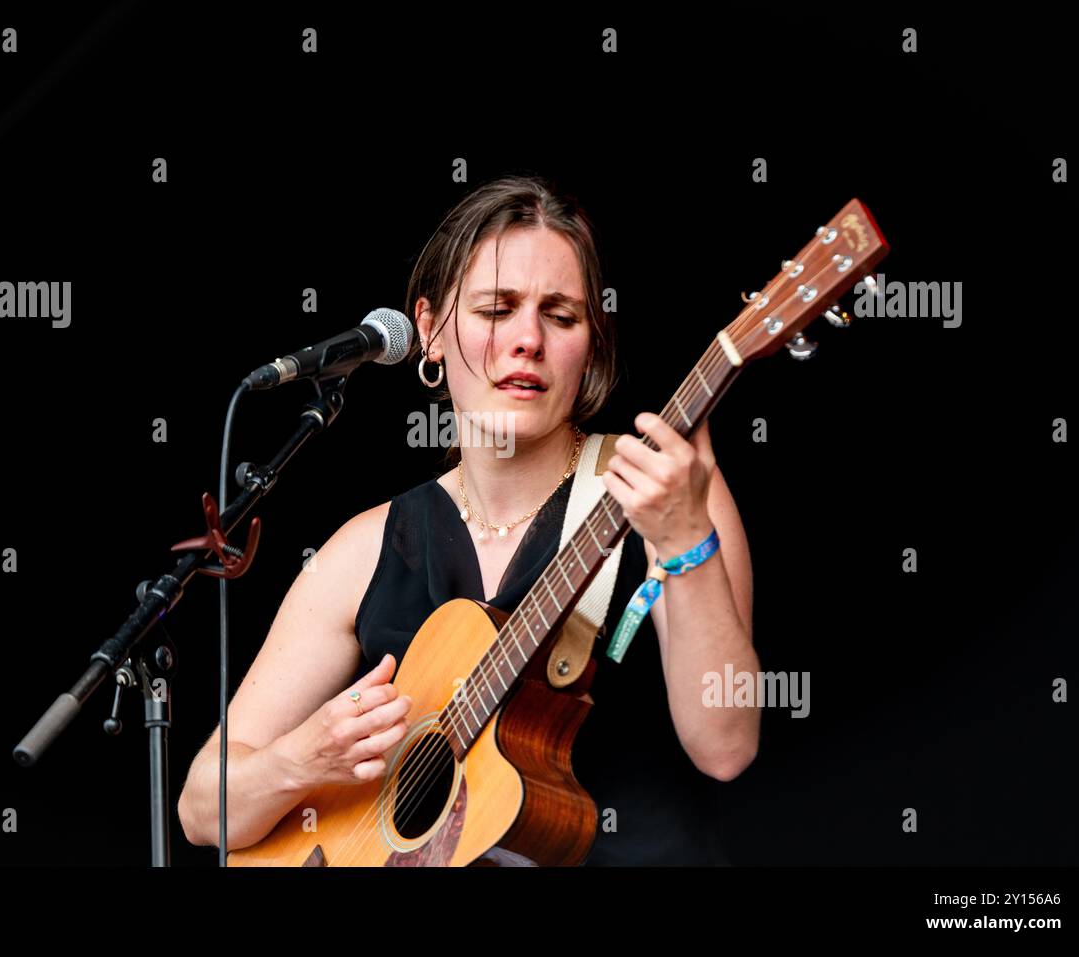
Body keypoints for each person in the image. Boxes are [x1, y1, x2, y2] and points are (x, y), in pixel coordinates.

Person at [177, 174, 759, 864]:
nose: (528, 340)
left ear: (591, 346)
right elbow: (201, 807)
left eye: (562, 316)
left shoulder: (661, 491)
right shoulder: (363, 550)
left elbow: (727, 744)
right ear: (429, 331)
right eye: (495, 309)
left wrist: (686, 537)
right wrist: (301, 760)